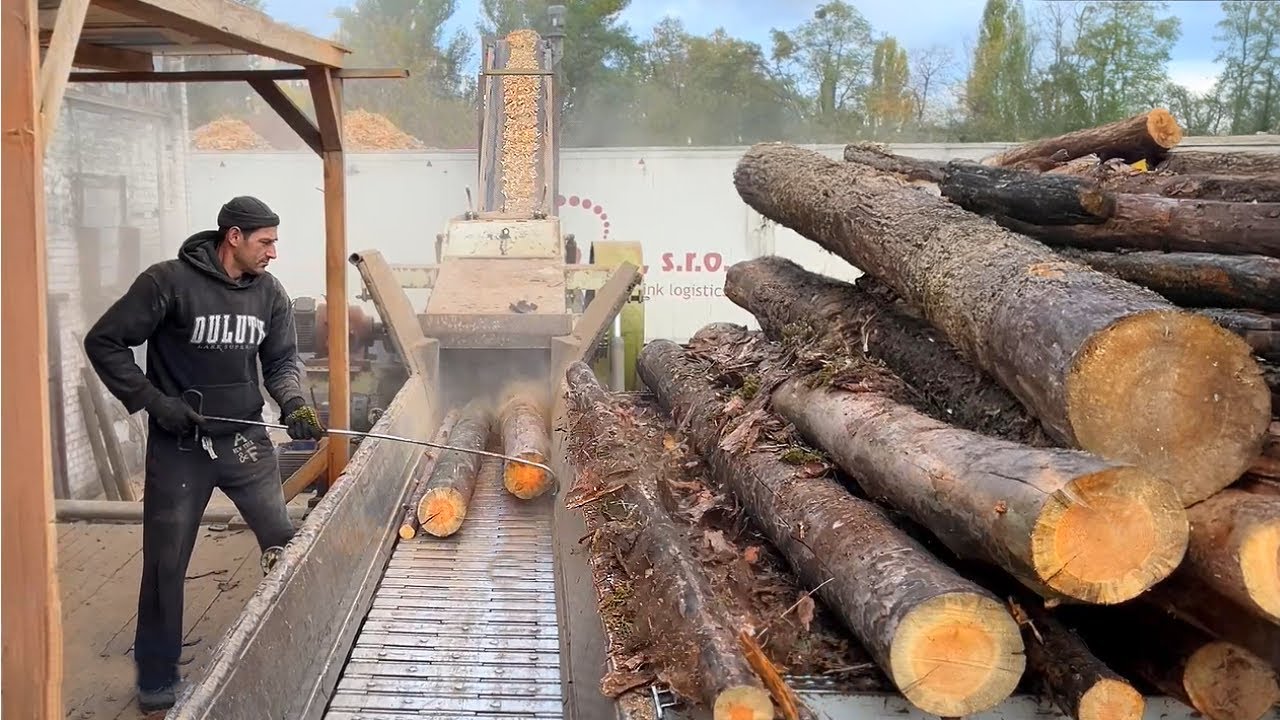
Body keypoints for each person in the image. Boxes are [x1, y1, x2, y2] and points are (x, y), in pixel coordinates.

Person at [83, 196, 325, 712]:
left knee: (286, 544)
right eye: (266, 242)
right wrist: (155, 403)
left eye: (275, 242)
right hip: (180, 447)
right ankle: (156, 679)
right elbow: (104, 341)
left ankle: (305, 646)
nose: (273, 253)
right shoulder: (168, 283)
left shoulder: (269, 294)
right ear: (233, 237)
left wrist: (295, 403)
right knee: (166, 563)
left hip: (244, 440)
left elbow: (282, 361)